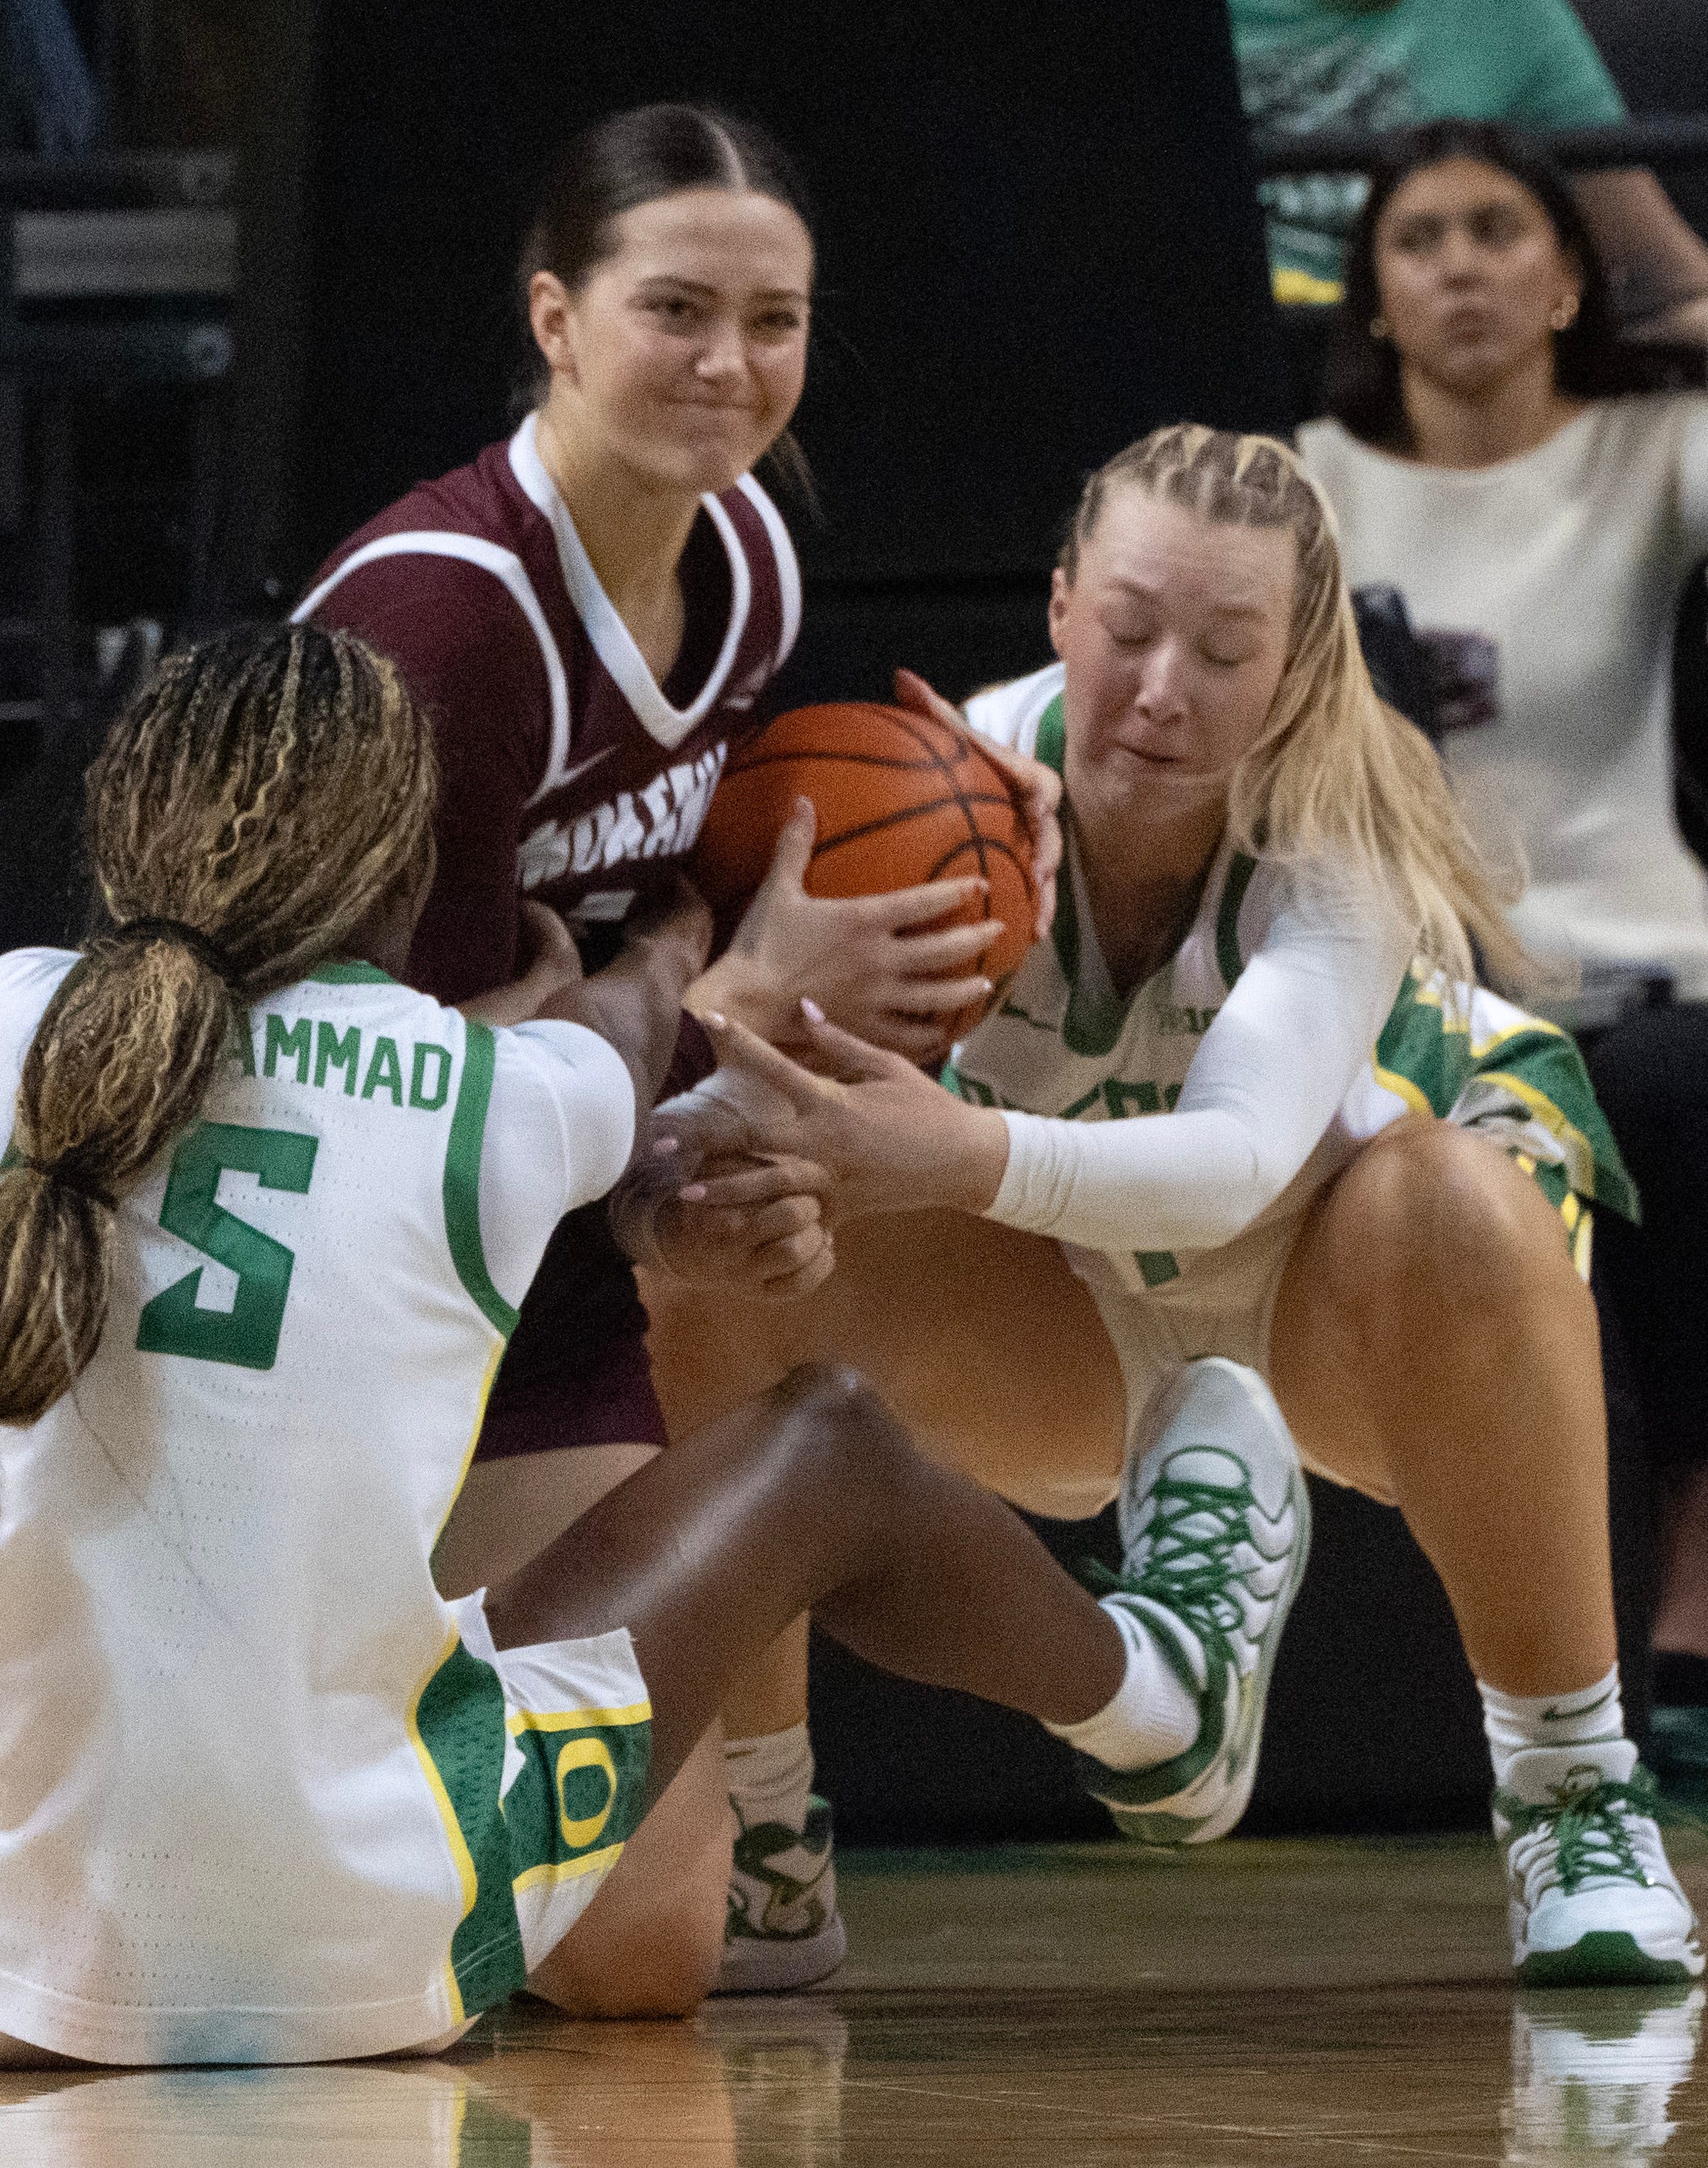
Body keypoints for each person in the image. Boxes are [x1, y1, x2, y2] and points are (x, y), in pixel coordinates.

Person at [0, 622, 1282, 2066]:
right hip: (350, 1969)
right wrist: (684, 928)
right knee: (825, 1443)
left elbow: (234, 1080)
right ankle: (1158, 1704)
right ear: (408, 870)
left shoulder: (21, 1013)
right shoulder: (502, 1104)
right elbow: (635, 1025)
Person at [636, 422, 1703, 1987]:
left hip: (1354, 1308)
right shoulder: (932, 800)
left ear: (1290, 666)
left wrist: (950, 1152)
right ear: (1059, 604)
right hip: (1062, 1313)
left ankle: (1573, 1795)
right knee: (721, 1238)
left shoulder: (1334, 830)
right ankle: (766, 1841)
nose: (1158, 687)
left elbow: (1234, 1165)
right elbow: (698, 1145)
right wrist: (737, 1057)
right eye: (1128, 630)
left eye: (1221, 649)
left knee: (1457, 1199)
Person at [288, 99, 1059, 1998]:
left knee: (633, 1950)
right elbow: (371, 1084)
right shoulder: (432, 628)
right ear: (552, 314)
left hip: (526, 1283)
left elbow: (664, 936)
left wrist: (759, 1045)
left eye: (774, 321)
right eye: (674, 310)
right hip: (322, 1277)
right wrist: (702, 1019)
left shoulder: (749, 565)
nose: (728, 367)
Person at [1296, 119, 1708, 1790]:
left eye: (1495, 233)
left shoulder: (1654, 443)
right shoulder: (1300, 472)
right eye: (1420, 239)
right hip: (1408, 977)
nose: (1459, 266)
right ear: (1372, 292)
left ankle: (1681, 1625)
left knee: (1688, 1119)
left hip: (1657, 966)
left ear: (1561, 280)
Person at [1230, 0, 1708, 339]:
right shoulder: (1163, 32)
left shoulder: (1511, 16)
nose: (1460, 268)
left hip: (1458, 405)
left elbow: (1663, 284)